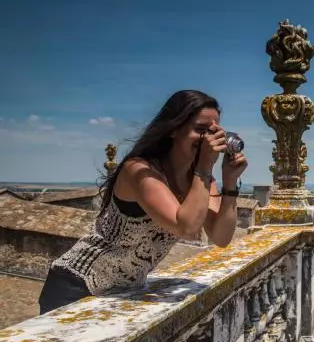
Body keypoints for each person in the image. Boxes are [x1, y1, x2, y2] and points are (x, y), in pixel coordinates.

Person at [38, 90, 247, 314]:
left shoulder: (199, 181)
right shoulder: (140, 170)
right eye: (201, 130)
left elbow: (221, 237)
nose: (209, 138)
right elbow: (186, 225)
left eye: (214, 131)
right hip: (76, 284)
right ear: (174, 129)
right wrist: (205, 167)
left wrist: (230, 183)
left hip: (120, 292)